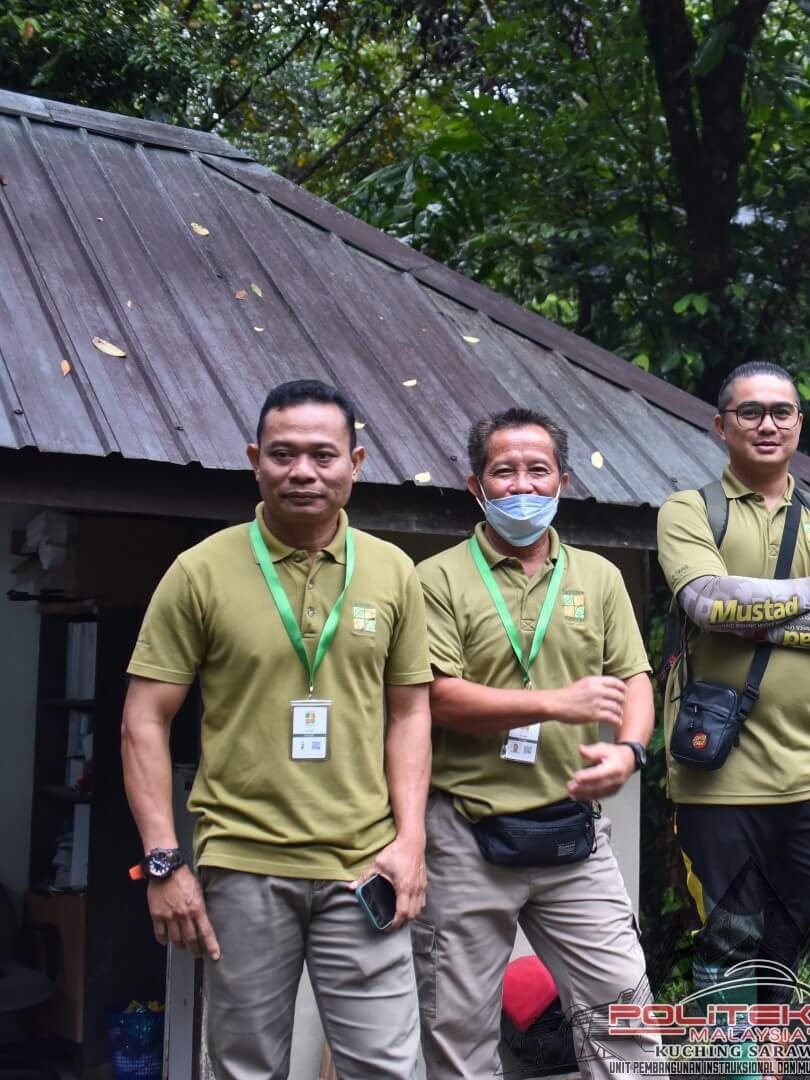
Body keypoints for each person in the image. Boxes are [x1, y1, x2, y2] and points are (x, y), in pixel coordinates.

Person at [122, 379, 432, 1078]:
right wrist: (163, 860)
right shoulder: (199, 571)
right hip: (243, 864)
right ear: (254, 459)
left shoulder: (392, 572)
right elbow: (145, 718)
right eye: (284, 454)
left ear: (355, 461)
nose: (303, 472)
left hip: (365, 867)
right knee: (244, 1067)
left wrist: (411, 841)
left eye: (323, 455)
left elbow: (411, 712)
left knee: (387, 1067)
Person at [412, 408, 664, 1079]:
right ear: (476, 484)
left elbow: (635, 679)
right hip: (466, 834)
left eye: (537, 469)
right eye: (505, 471)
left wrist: (630, 751)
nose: (522, 484)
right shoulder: (436, 579)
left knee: (625, 1012)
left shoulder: (598, 577)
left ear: (563, 480)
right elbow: (437, 696)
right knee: (457, 1032)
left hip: (573, 835)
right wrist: (554, 702)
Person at [656, 361, 810, 1074]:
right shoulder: (689, 511)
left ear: (798, 425)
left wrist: (758, 621)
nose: (767, 423)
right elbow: (705, 602)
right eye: (750, 411)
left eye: (782, 412)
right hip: (718, 774)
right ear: (720, 423)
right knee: (729, 939)